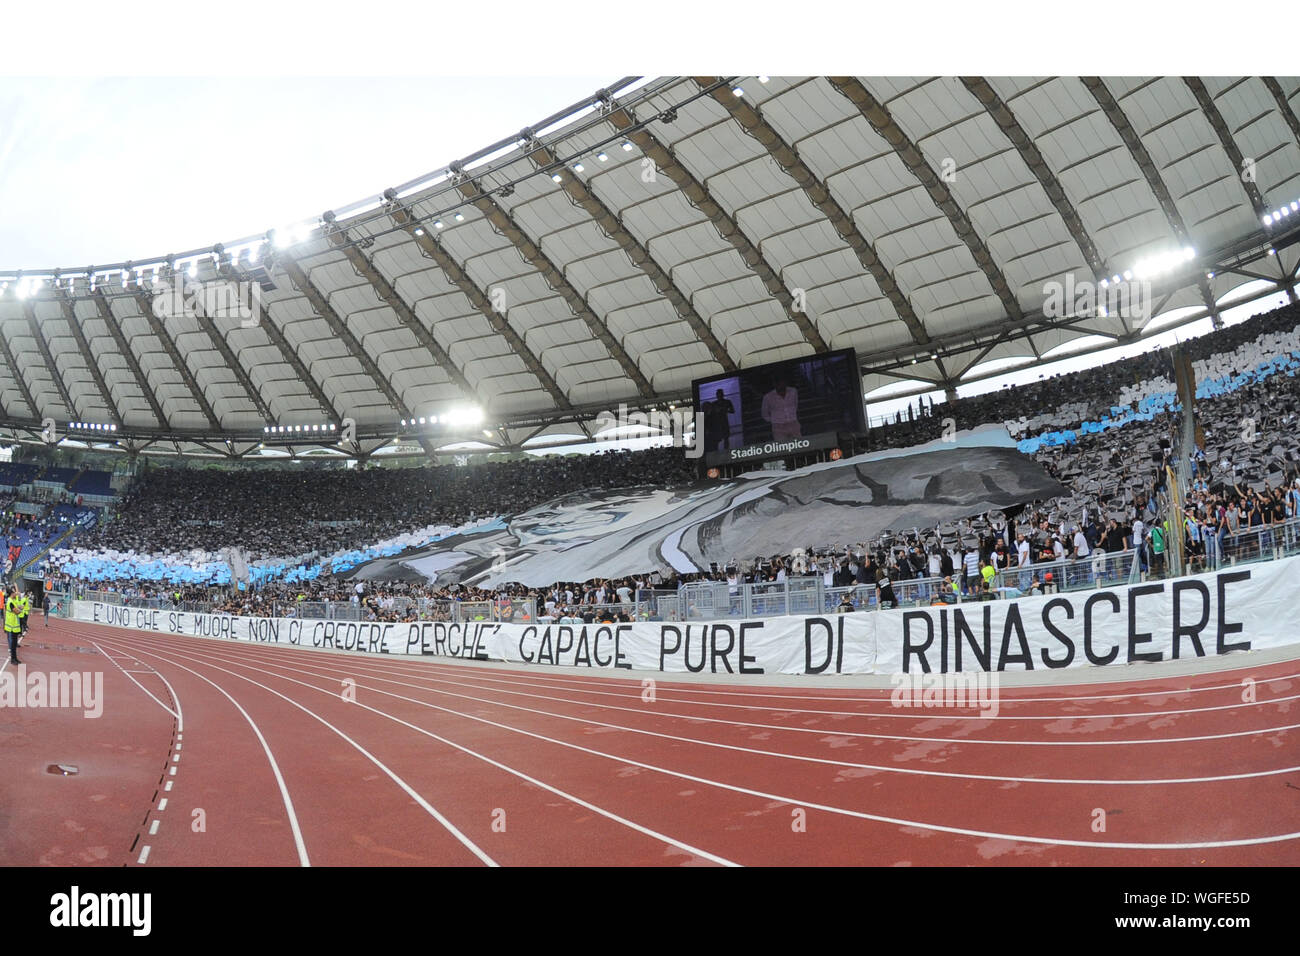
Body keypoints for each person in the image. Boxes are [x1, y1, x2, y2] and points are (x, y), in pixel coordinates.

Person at [760, 376, 801, 441]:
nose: (781, 385)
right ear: (775, 384)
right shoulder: (768, 397)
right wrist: (775, 420)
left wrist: (792, 415)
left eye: (783, 383)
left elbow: (795, 404)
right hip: (778, 428)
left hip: (794, 424)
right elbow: (764, 414)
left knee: (799, 446)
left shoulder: (793, 391)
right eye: (779, 384)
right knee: (783, 448)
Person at [4, 586, 21, 665]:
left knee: (14, 645)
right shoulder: (10, 602)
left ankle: (15, 658)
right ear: (11, 593)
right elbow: (17, 612)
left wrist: (19, 608)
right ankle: (13, 659)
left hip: (14, 626)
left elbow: (17, 608)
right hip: (11, 626)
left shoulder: (12, 600)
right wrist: (21, 609)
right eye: (14, 592)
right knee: (13, 645)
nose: (16, 594)